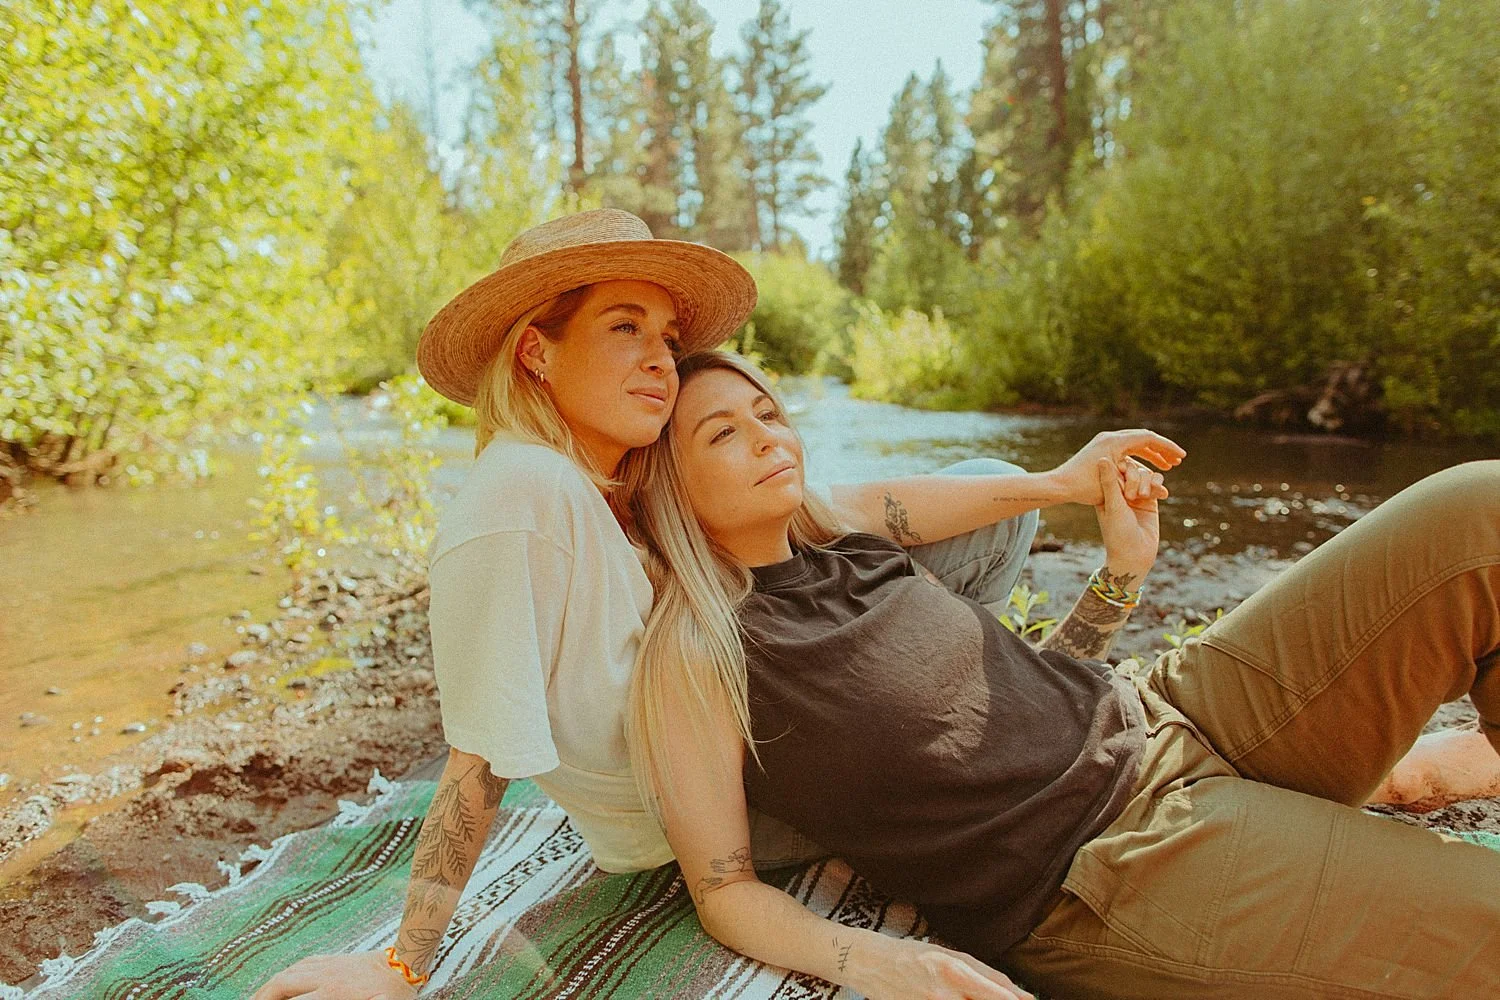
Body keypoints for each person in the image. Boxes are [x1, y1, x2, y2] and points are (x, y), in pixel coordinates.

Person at [252, 209, 1183, 1000]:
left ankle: (1007, 699)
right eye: (625, 329)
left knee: (952, 495)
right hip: (711, 802)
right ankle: (981, 741)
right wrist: (401, 964)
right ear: (536, 351)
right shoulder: (520, 496)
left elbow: (847, 508)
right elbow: (481, 754)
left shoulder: (612, 479)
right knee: (883, 550)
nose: (661, 358)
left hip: (759, 731)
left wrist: (1058, 483)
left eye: (666, 337)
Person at [618, 349, 1500, 1000]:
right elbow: (724, 888)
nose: (768, 437)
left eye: (768, 412)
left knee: (1477, 513)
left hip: (1173, 710)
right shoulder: (698, 649)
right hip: (1111, 869)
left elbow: (1025, 690)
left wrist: (1108, 549)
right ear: (668, 486)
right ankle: (1396, 783)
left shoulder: (842, 537)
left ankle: (1411, 770)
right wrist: (878, 962)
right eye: (723, 434)